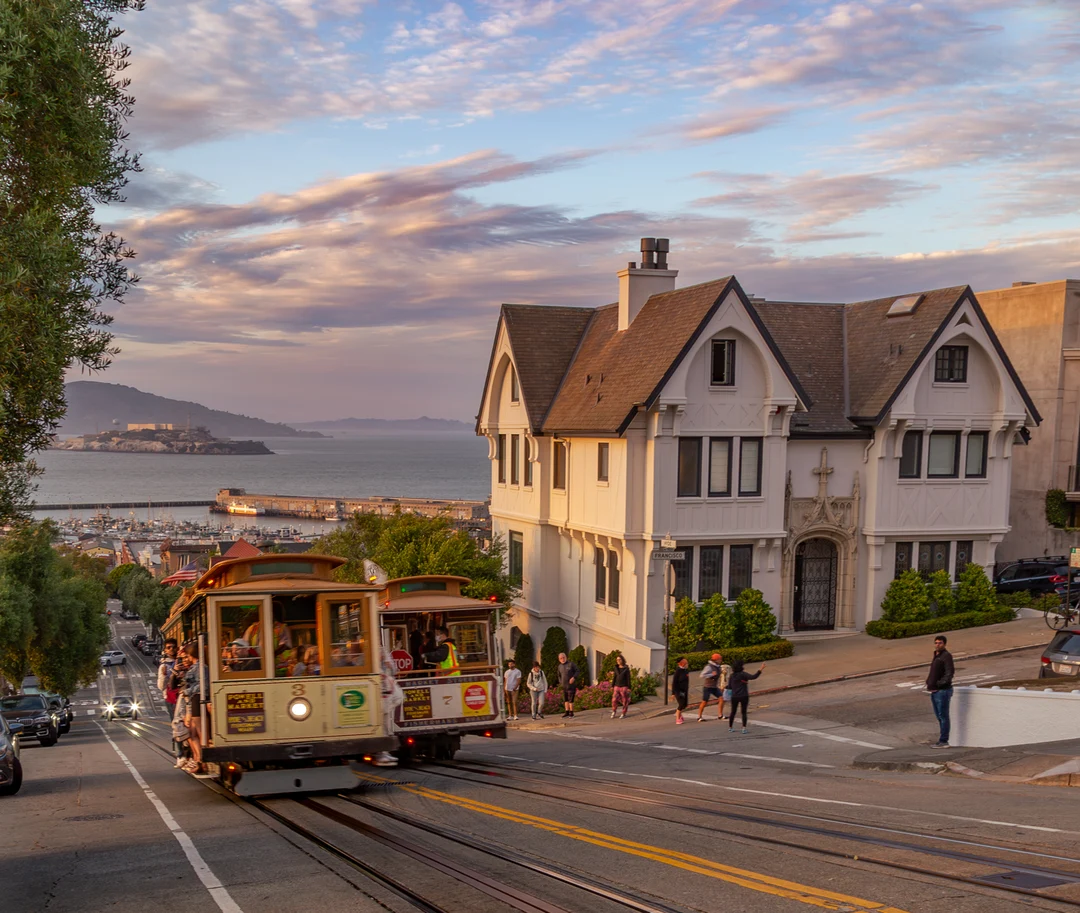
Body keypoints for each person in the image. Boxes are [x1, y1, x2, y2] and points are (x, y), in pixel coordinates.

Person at [926, 634, 955, 748]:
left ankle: (943, 741)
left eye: (940, 643)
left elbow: (949, 673)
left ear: (944, 644)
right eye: (936, 643)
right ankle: (942, 740)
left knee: (943, 716)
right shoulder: (936, 655)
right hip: (934, 690)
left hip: (942, 691)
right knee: (939, 716)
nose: (937, 645)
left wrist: (939, 684)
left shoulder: (946, 656)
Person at [727, 659, 765, 733]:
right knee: (743, 712)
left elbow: (729, 686)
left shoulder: (732, 676)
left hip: (734, 696)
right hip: (744, 695)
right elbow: (754, 676)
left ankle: (730, 727)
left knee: (733, 712)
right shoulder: (743, 674)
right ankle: (743, 728)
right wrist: (761, 669)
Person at [696, 652, 725, 722]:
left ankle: (720, 715)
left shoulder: (718, 666)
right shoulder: (709, 667)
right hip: (708, 687)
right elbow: (702, 675)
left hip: (714, 687)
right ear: (716, 660)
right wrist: (711, 674)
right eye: (720, 659)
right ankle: (699, 716)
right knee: (704, 701)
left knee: (721, 699)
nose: (721, 660)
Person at [557, 652, 579, 718]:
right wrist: (560, 682)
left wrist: (574, 677)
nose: (562, 659)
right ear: (559, 659)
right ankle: (566, 712)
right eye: (561, 658)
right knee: (565, 699)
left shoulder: (571, 664)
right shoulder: (559, 666)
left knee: (570, 699)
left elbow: (577, 671)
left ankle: (571, 712)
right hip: (564, 685)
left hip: (571, 685)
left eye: (563, 657)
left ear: (566, 657)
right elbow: (559, 675)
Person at [672, 656, 690, 724]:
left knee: (685, 705)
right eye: (686, 663)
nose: (687, 664)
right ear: (682, 663)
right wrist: (673, 693)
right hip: (679, 690)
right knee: (681, 703)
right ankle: (677, 718)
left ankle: (679, 715)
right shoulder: (678, 671)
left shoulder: (686, 670)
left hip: (684, 690)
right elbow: (674, 682)